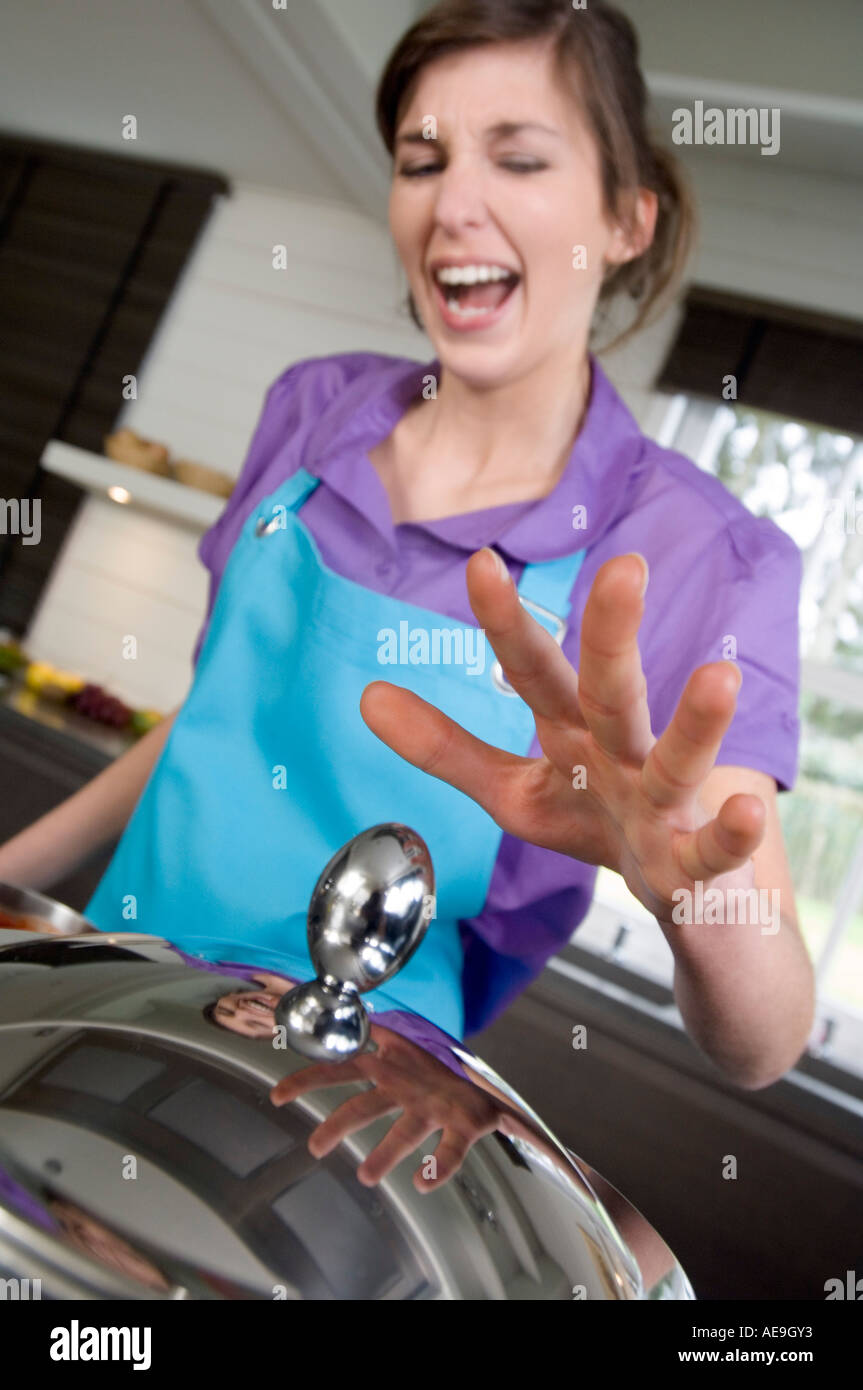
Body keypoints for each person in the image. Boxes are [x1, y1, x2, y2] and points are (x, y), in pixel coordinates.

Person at [0, 0, 813, 1082]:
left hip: (342, 1111)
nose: (453, 205)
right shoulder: (311, 411)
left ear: (625, 220)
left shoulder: (695, 551)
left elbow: (763, 1045)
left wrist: (688, 895)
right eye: (419, 160)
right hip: (103, 991)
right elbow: (210, 724)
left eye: (517, 159)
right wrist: (15, 884)